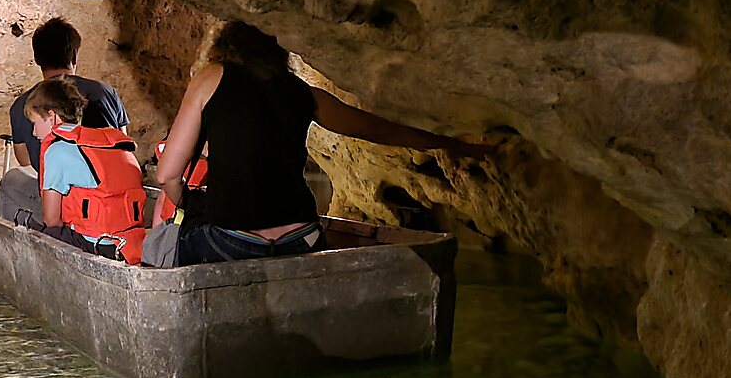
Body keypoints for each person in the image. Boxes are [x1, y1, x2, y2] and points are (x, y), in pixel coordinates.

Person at [157, 20, 494, 266]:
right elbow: (376, 128)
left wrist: (189, 204)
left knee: (163, 244)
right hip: (301, 238)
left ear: (225, 49)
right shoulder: (304, 93)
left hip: (231, 242)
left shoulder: (210, 78)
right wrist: (453, 145)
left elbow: (167, 175)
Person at [0, 18, 129, 225]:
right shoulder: (106, 93)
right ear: (74, 55)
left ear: (37, 58)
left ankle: (17, 237)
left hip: (66, 206)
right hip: (114, 198)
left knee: (10, 180)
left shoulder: (25, 104)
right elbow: (124, 142)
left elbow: (24, 161)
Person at [25, 77, 147, 264]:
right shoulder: (108, 143)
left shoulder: (57, 150)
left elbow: (51, 221)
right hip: (131, 244)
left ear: (52, 117)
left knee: (32, 226)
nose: (34, 133)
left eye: (35, 123)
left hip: (96, 245)